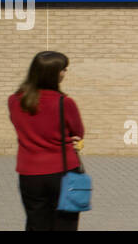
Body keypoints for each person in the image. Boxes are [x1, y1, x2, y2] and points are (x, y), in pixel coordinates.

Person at [8, 51, 84, 231]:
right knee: (66, 223)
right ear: (53, 73)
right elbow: (78, 132)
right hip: (63, 171)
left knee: (36, 222)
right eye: (63, 69)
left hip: (29, 173)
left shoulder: (15, 100)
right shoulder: (64, 102)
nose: (65, 73)